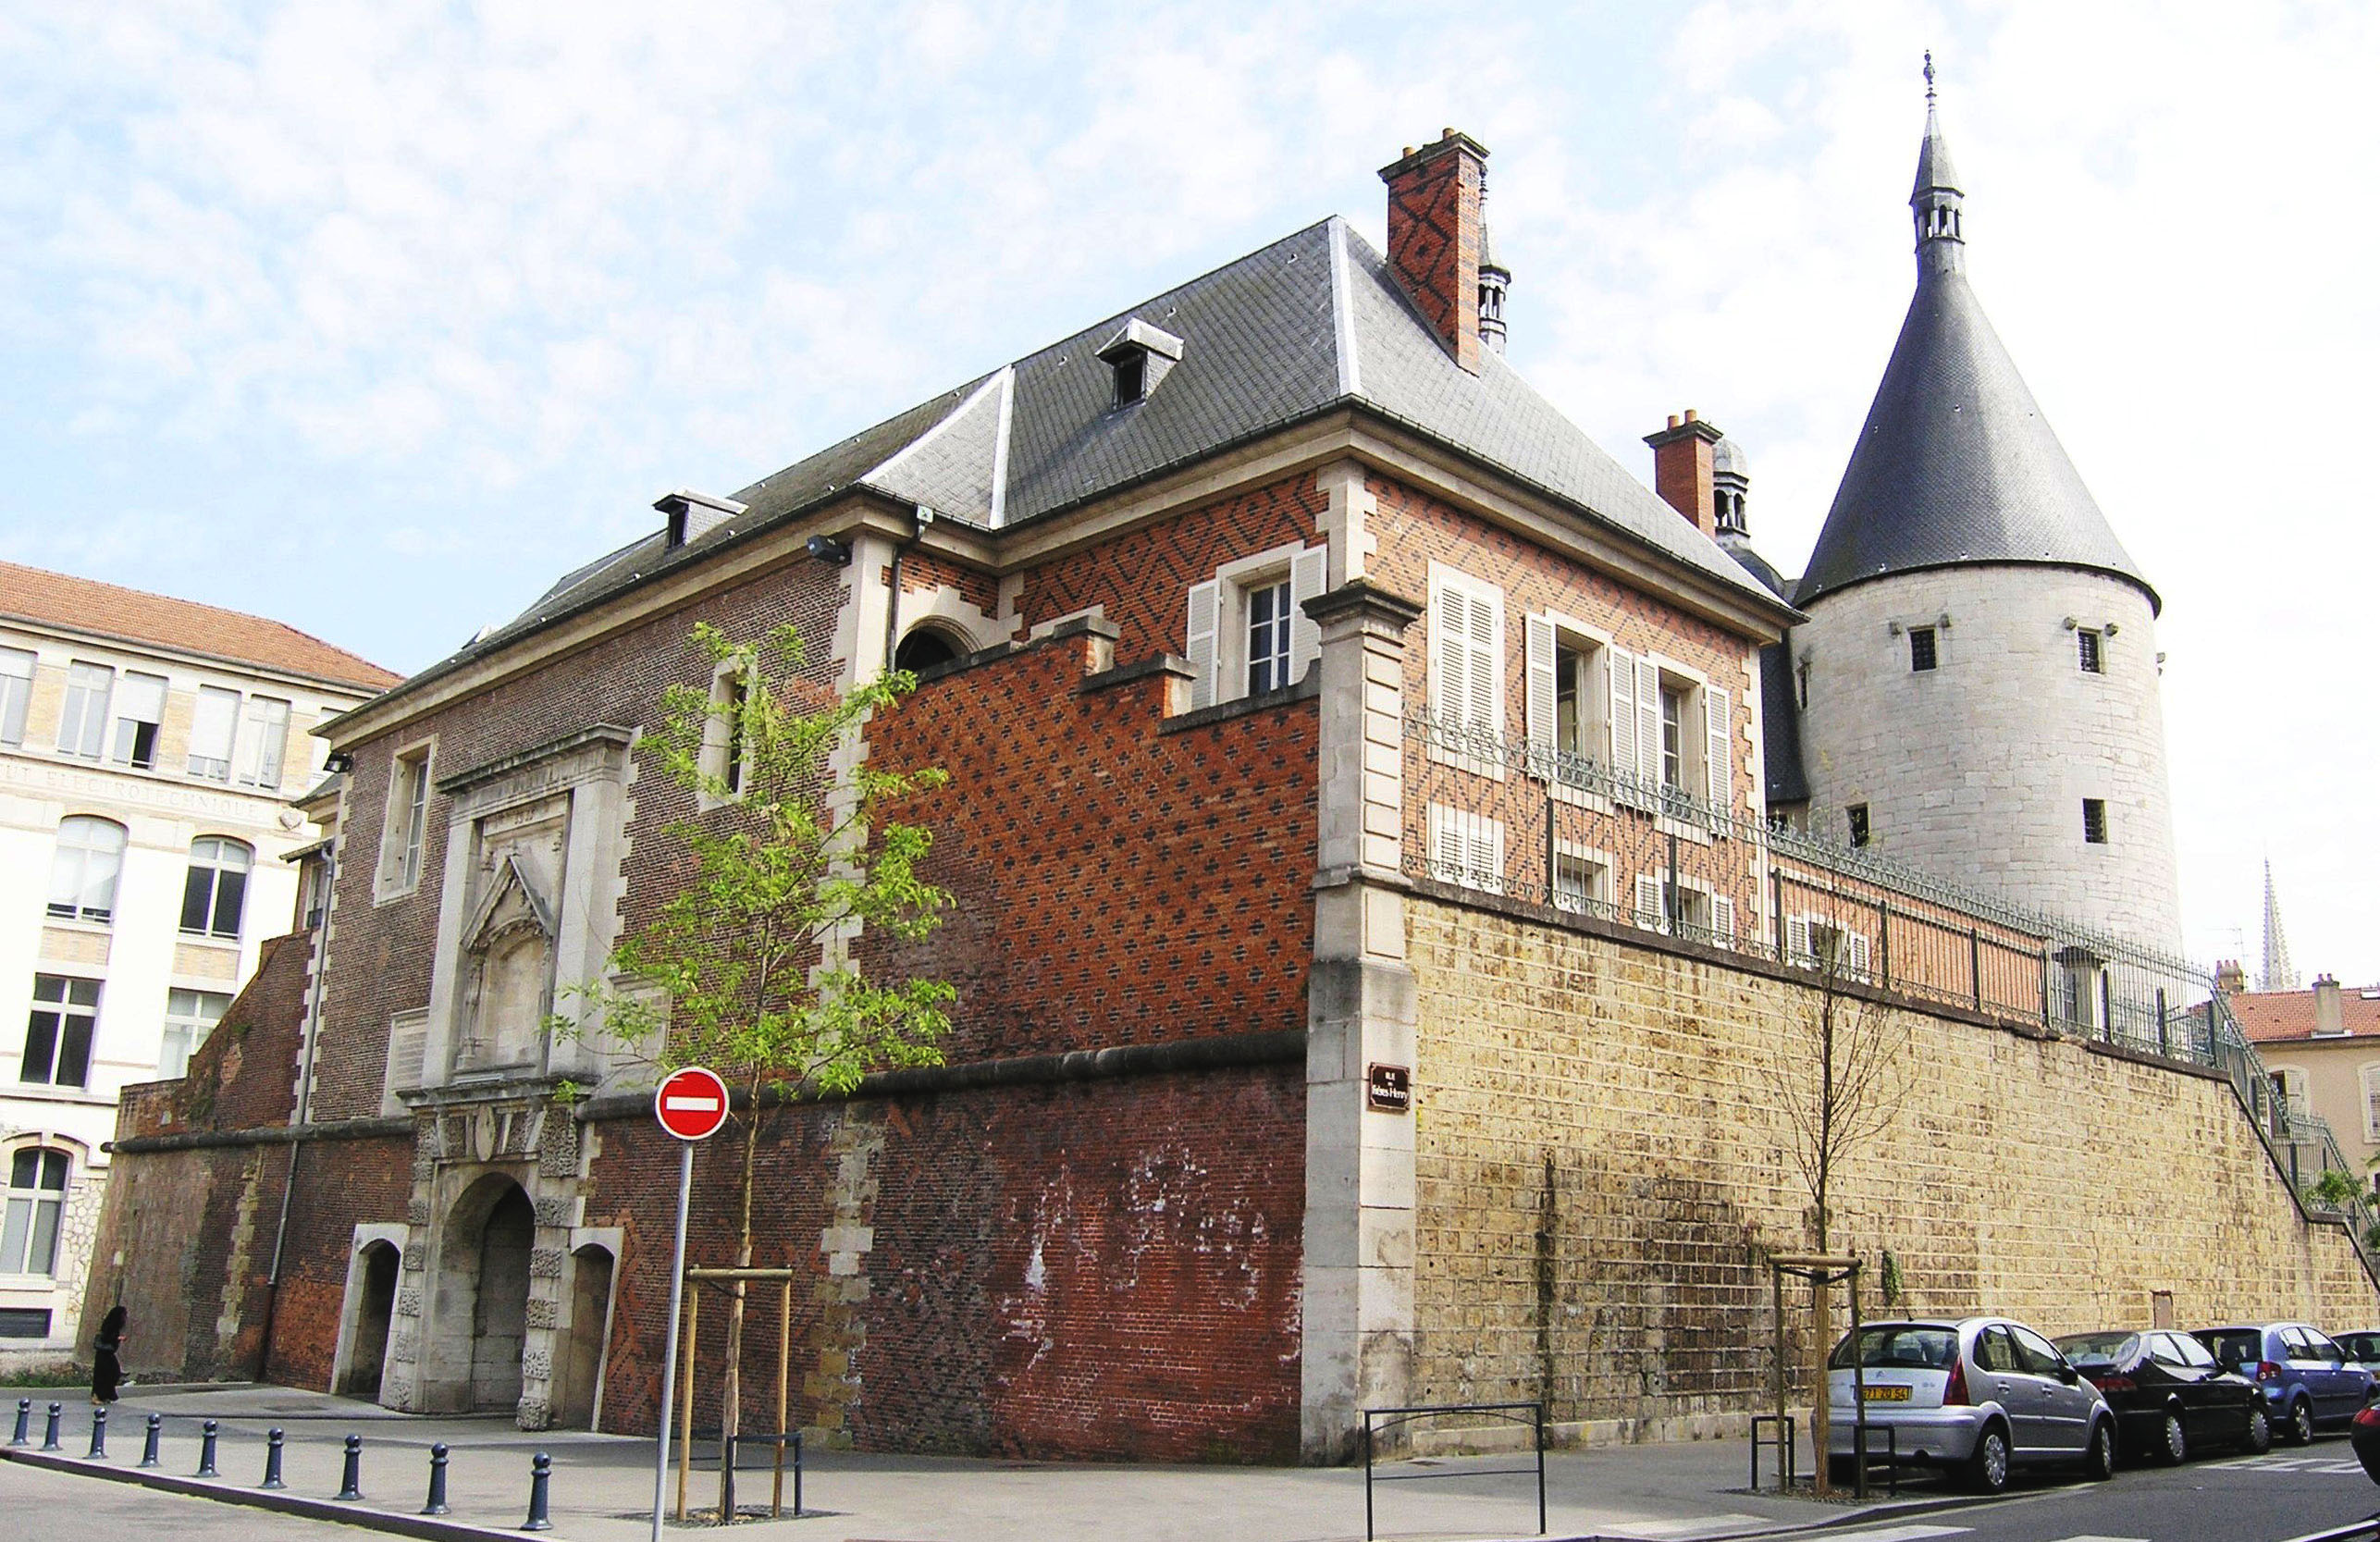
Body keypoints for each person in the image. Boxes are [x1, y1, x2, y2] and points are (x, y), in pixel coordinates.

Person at [91, 1304, 126, 1404]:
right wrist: (118, 1338)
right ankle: (97, 1395)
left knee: (111, 1374)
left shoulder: (114, 1325)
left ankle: (105, 1395)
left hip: (107, 1354)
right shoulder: (110, 1325)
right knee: (105, 1374)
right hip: (104, 1354)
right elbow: (106, 1338)